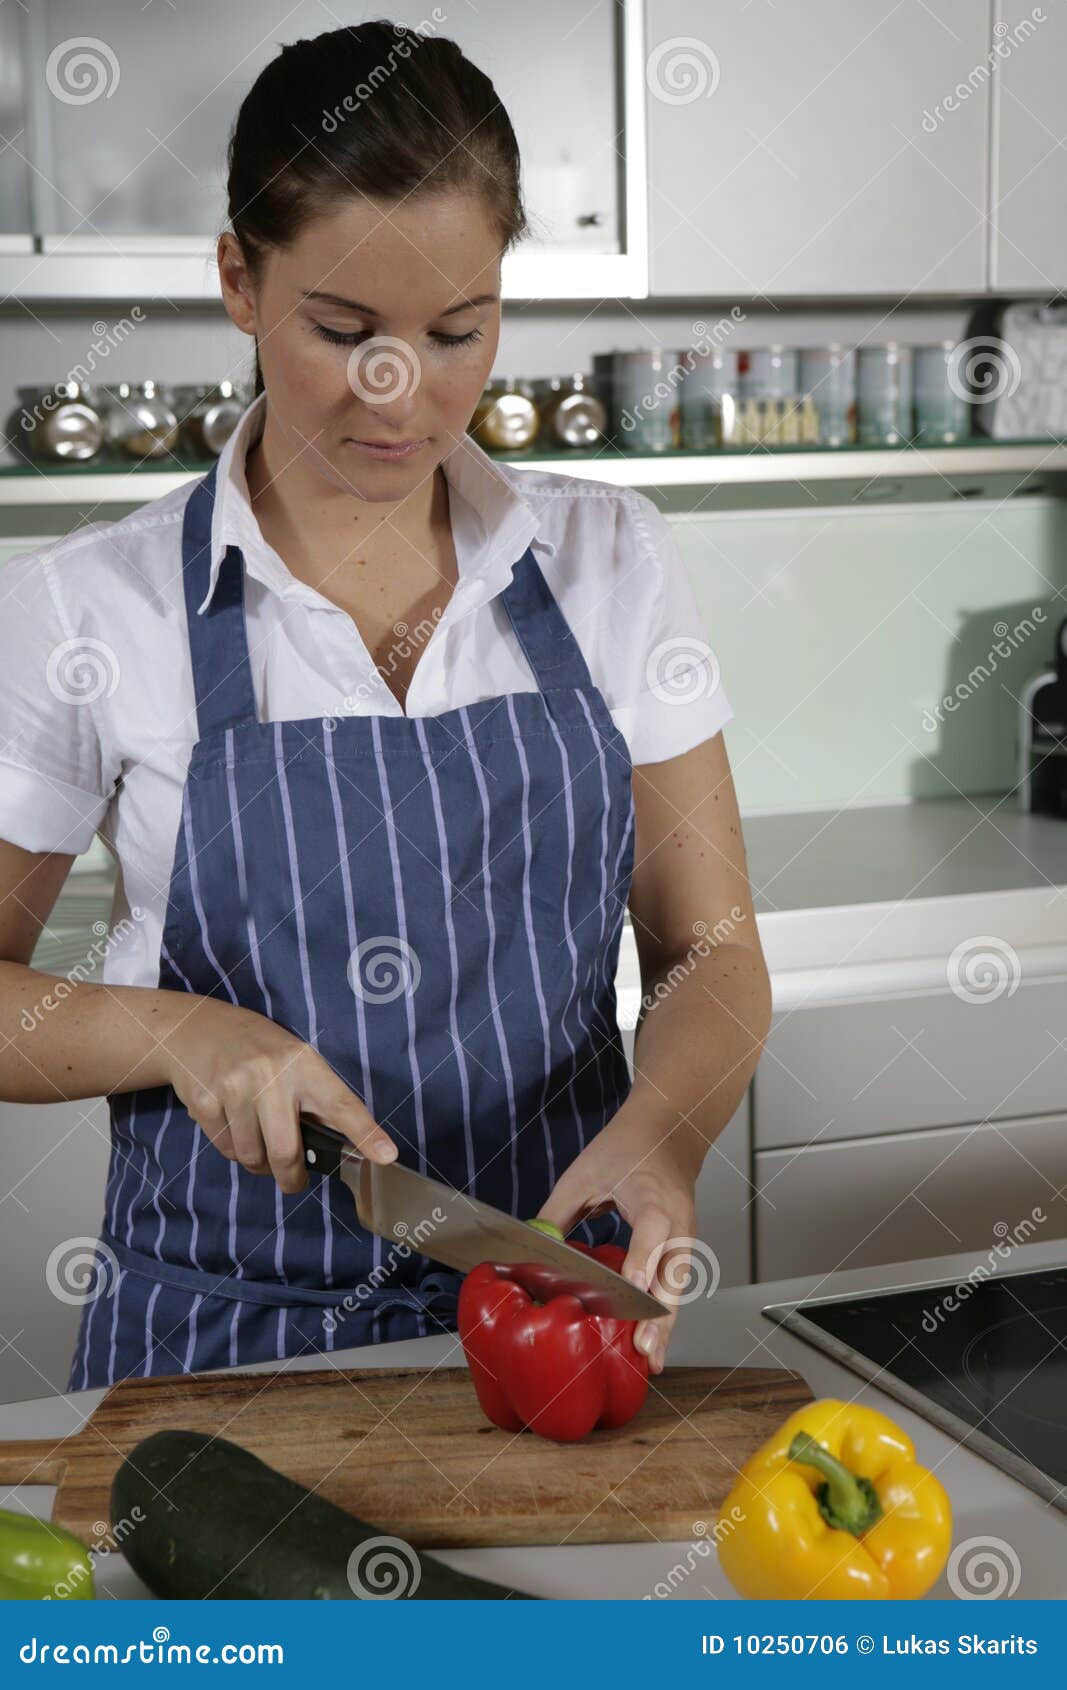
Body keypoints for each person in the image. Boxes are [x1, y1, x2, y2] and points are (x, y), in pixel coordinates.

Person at [0, 22, 771, 1393]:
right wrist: (179, 1029)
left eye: (455, 331)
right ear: (238, 278)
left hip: (549, 1321)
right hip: (215, 1351)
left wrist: (666, 1132)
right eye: (343, 330)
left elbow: (709, 948)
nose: (397, 392)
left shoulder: (609, 559)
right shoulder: (86, 608)